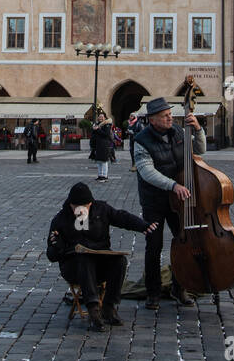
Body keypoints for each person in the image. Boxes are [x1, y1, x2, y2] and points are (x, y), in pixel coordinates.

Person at [47, 181, 156, 331]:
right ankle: (93, 310)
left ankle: (108, 306)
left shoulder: (101, 209)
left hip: (99, 262)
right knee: (84, 259)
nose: (80, 211)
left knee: (119, 261)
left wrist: (142, 225)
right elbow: (51, 256)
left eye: (84, 207)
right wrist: (57, 246)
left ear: (90, 204)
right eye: (76, 207)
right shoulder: (60, 219)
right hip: (74, 267)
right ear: (70, 205)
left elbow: (121, 217)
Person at [133, 97, 205, 309]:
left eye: (170, 114)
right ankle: (153, 292)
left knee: (184, 243)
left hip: (178, 200)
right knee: (154, 246)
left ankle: (179, 287)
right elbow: (147, 172)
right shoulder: (141, 140)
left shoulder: (178, 132)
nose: (170, 118)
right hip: (154, 201)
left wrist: (198, 131)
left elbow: (199, 152)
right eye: (165, 116)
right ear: (153, 120)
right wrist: (173, 185)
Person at [91, 113, 113, 182]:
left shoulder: (107, 125)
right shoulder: (97, 124)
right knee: (98, 161)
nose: (100, 118)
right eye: (99, 116)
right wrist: (94, 129)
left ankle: (105, 176)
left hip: (104, 145)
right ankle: (100, 175)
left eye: (102, 117)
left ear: (105, 118)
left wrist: (97, 129)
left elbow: (106, 134)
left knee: (104, 161)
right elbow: (94, 134)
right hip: (98, 145)